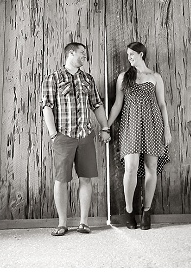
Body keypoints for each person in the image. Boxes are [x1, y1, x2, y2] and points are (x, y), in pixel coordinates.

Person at [41, 42, 111, 236]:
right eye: (82, 53)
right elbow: (47, 106)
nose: (85, 56)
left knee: (86, 178)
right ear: (70, 53)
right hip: (64, 136)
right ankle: (62, 223)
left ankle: (83, 222)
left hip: (85, 136)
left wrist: (105, 127)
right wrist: (53, 134)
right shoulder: (53, 78)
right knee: (61, 180)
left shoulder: (88, 79)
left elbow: (97, 105)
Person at [107, 42, 172, 229]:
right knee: (131, 167)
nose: (129, 58)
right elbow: (117, 105)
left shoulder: (155, 77)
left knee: (151, 167)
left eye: (132, 54)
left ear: (141, 54)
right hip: (130, 124)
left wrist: (166, 129)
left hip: (153, 124)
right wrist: (106, 127)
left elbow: (162, 105)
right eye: (128, 55)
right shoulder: (123, 77)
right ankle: (128, 212)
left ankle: (146, 211)